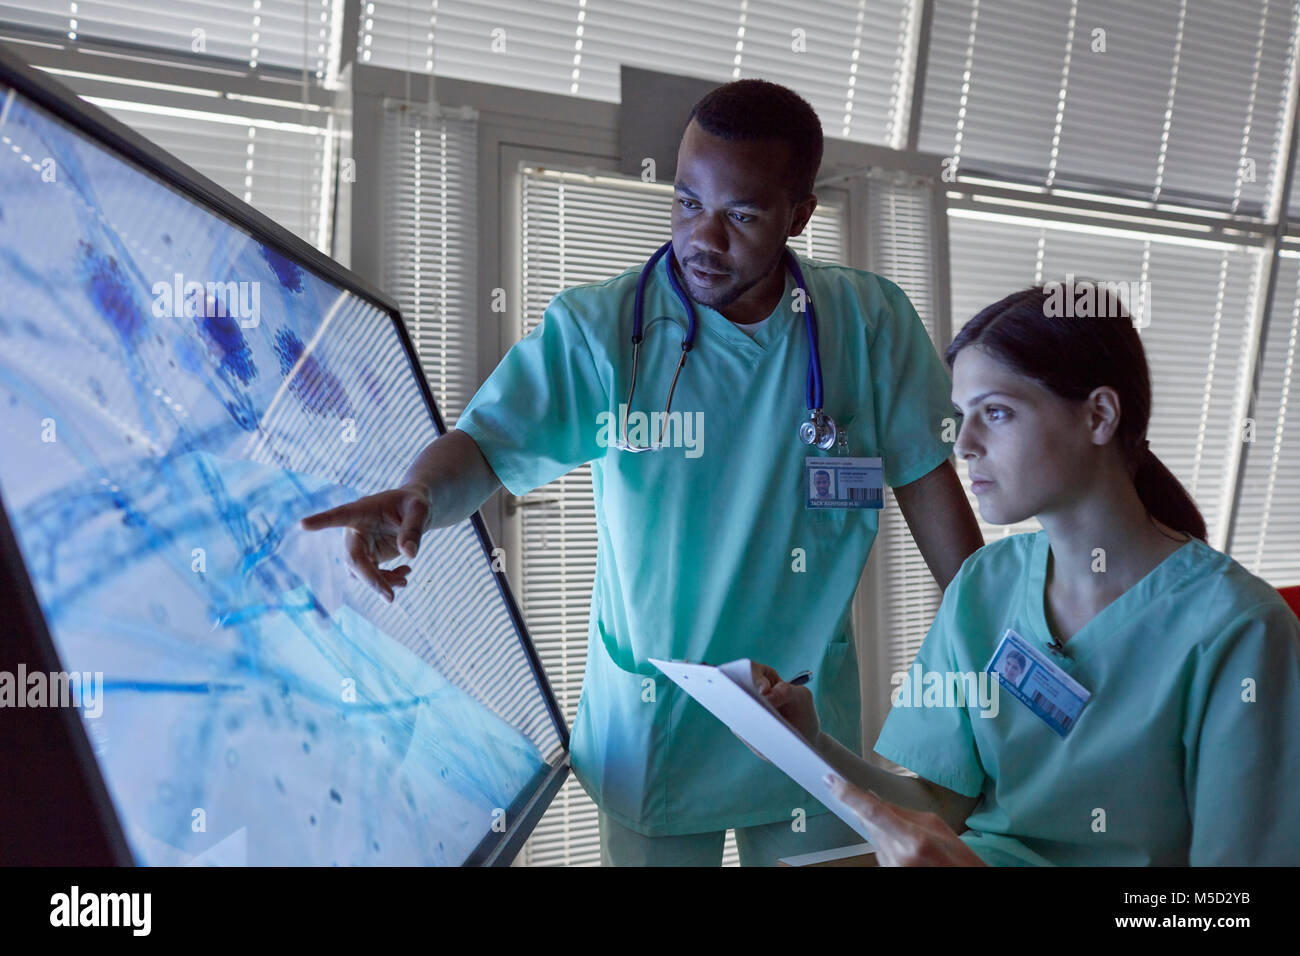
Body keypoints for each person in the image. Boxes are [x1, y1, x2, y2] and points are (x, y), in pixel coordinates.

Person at [300, 79, 984, 866]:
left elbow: (948, 529)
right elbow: (487, 445)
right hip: (656, 734)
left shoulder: (868, 326)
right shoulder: (606, 333)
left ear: (799, 216)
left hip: (806, 726)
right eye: (687, 201)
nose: (703, 238)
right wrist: (421, 491)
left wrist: (993, 685)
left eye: (742, 216)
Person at [751, 281, 1300, 865]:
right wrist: (810, 743)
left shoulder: (1240, 629)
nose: (964, 444)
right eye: (962, 416)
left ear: (1099, 416)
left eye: (997, 413)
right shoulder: (986, 584)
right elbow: (939, 805)